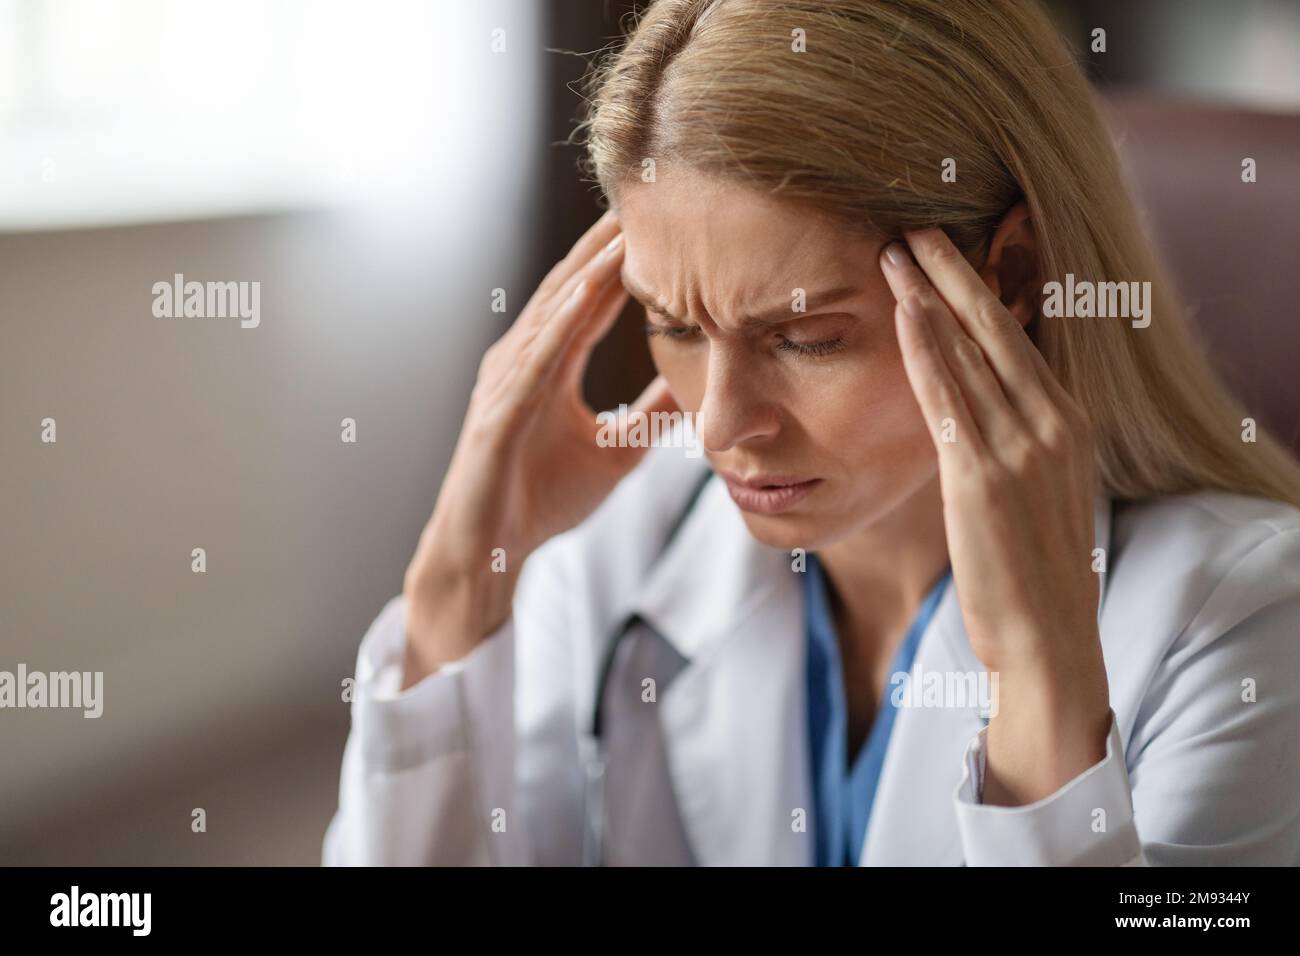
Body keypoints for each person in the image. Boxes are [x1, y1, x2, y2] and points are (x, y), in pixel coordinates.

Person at [322, 0, 1300, 866]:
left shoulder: (1242, 619)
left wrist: (1041, 680)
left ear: (1008, 278)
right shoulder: (618, 546)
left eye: (803, 337)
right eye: (673, 325)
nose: (720, 424)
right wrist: (457, 578)